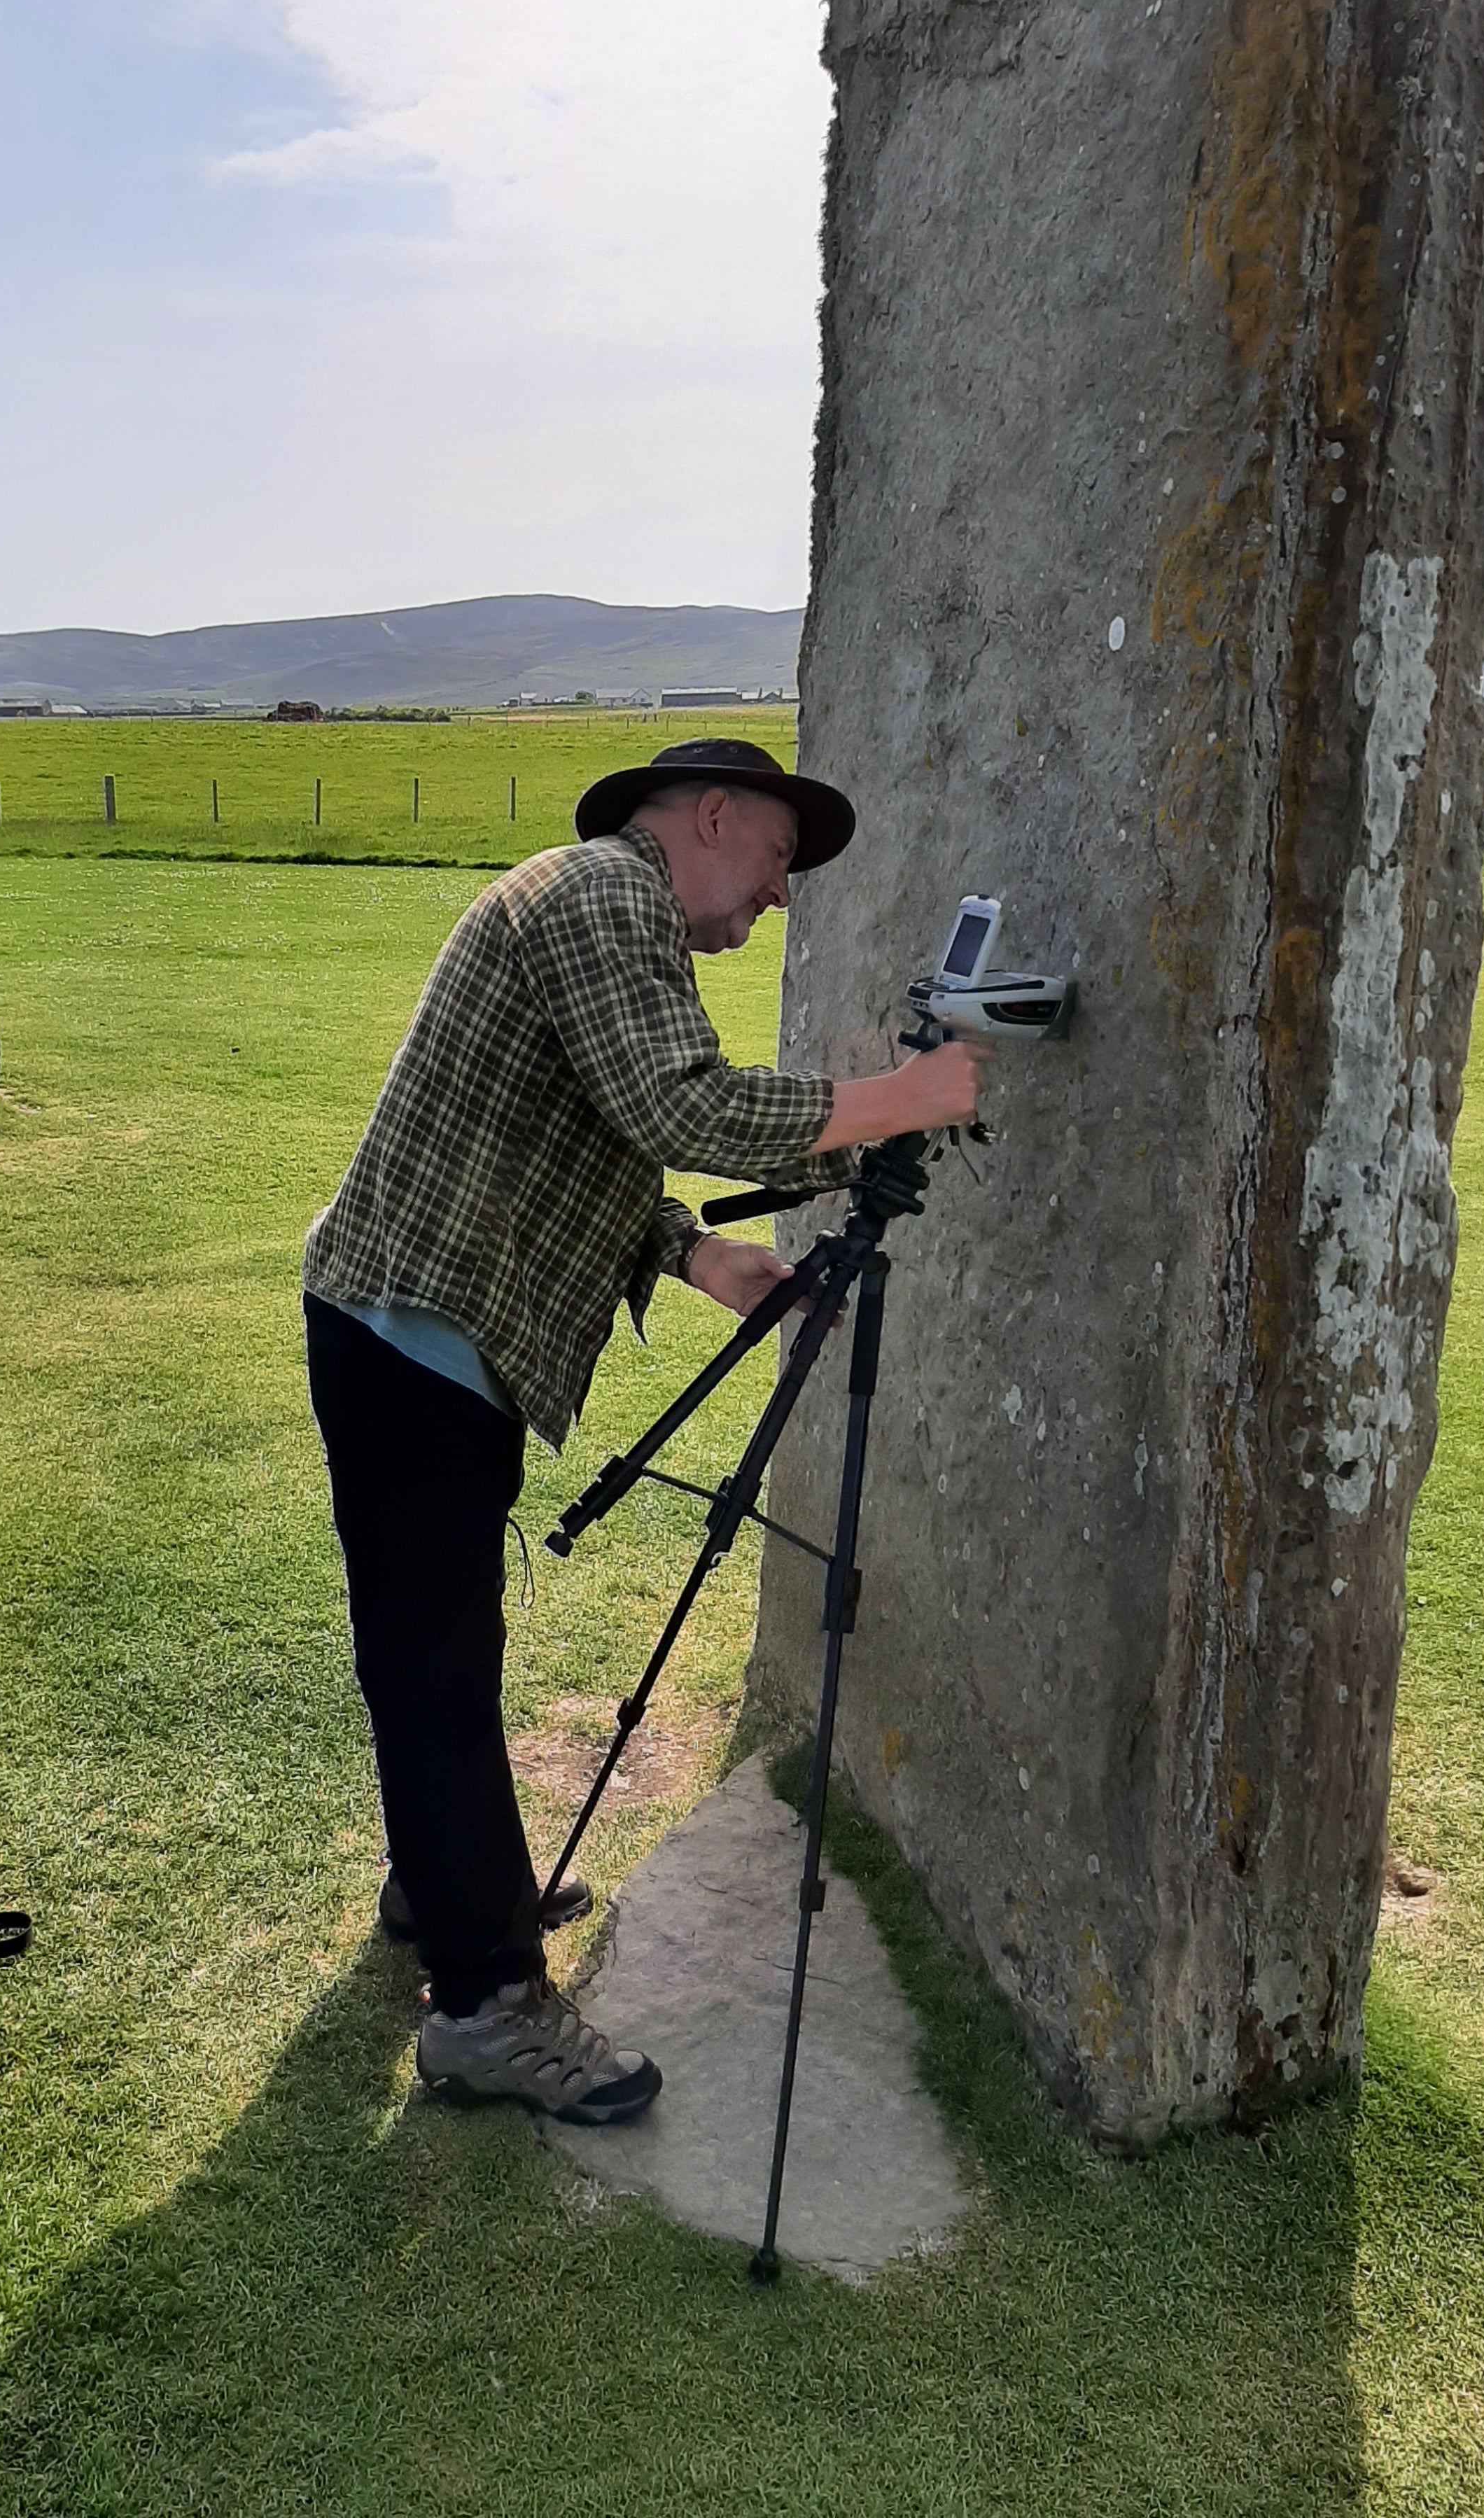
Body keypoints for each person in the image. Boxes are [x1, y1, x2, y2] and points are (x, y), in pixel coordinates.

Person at [302, 738, 985, 2125]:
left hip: (416, 1331)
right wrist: (900, 1103)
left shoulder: (596, 903)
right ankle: (488, 2004)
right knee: (433, 1666)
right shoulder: (606, 894)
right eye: (780, 859)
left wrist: (695, 1254)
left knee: (441, 1650)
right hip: (410, 1335)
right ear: (712, 816)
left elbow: (591, 1128)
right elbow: (678, 1104)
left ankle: (449, 1884)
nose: (780, 895)